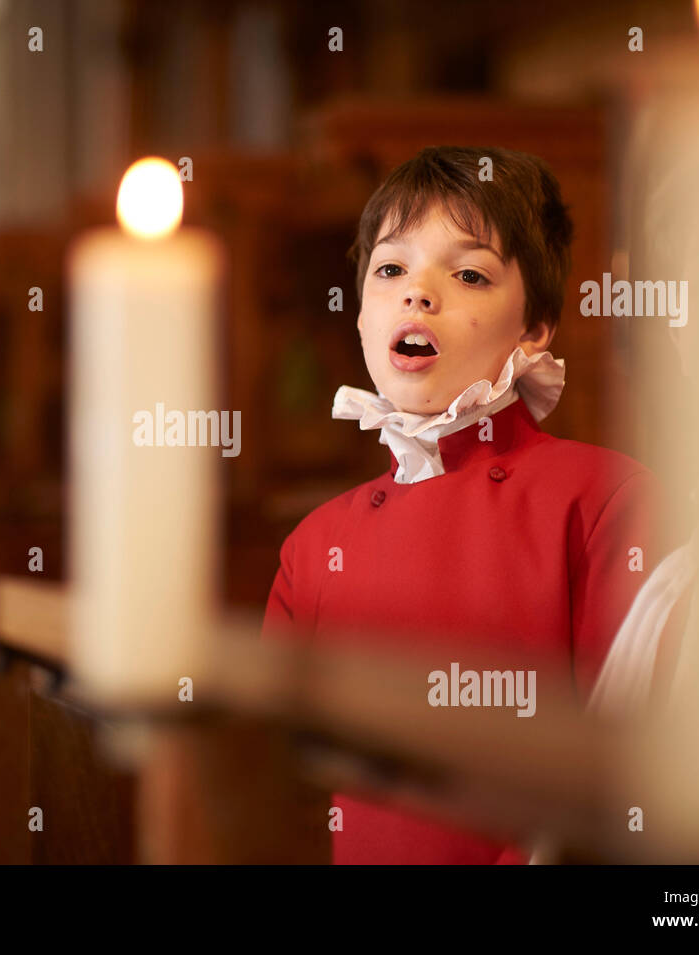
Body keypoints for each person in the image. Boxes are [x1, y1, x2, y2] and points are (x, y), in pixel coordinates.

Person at [262, 145, 667, 864]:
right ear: (359, 316)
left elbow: (623, 782)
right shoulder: (311, 546)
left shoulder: (606, 502)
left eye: (470, 273)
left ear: (535, 327)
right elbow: (275, 794)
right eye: (390, 269)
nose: (417, 294)